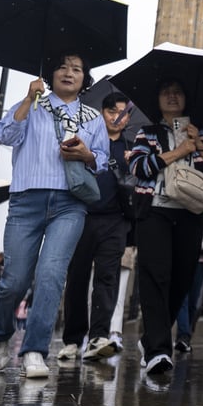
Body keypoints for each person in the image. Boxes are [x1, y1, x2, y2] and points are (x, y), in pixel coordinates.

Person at [0, 52, 110, 380]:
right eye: (62, 67)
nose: (69, 73)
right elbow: (5, 135)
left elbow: (102, 160)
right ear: (50, 73)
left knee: (51, 275)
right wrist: (29, 99)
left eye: (77, 69)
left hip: (70, 204)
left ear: (85, 78)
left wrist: (86, 154)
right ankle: (0, 334)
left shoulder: (92, 117)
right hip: (26, 200)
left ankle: (34, 349)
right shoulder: (32, 104)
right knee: (14, 281)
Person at [129, 77, 203, 375]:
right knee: (156, 276)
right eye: (166, 92)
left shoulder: (200, 131)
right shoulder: (147, 132)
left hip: (190, 213)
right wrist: (178, 152)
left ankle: (151, 338)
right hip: (155, 211)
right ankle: (158, 349)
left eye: (178, 92)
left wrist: (201, 146)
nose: (172, 97)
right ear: (157, 99)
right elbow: (138, 167)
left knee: (182, 280)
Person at [59, 92, 134, 363]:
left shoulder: (131, 148)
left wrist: (132, 162)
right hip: (83, 215)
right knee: (77, 278)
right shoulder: (86, 139)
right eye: (112, 111)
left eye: (123, 113)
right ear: (102, 112)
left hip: (115, 220)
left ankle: (98, 336)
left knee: (107, 278)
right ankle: (72, 340)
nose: (117, 117)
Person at [174, 202, 203, 353]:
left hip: (201, 259)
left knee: (194, 300)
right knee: (182, 298)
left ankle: (185, 335)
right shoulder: (184, 198)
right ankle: (183, 336)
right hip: (183, 254)